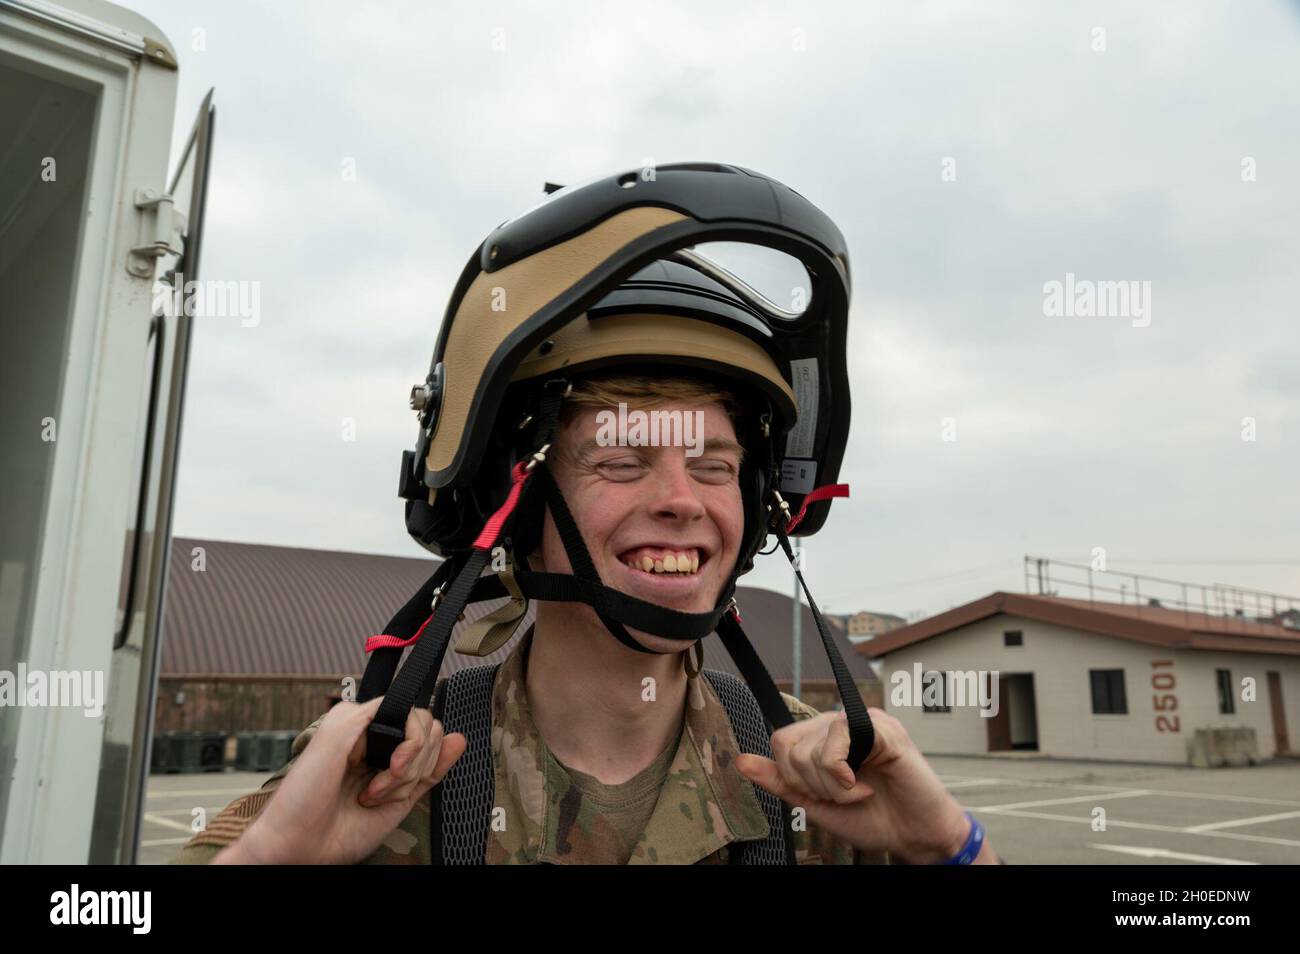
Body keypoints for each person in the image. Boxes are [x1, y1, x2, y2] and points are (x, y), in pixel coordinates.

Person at [171, 164, 1001, 865]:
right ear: (518, 499)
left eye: (714, 466)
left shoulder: (827, 785)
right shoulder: (382, 780)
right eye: (622, 461)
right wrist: (269, 858)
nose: (682, 502)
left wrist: (948, 848)